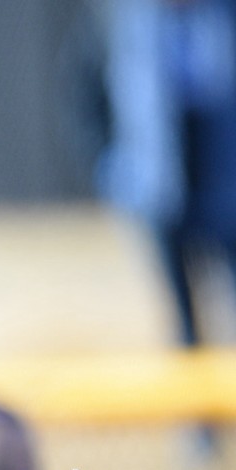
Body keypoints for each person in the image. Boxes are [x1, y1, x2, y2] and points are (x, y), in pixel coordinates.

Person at [63, 0, 236, 350]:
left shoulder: (223, 14)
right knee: (183, 324)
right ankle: (194, 400)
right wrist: (110, 167)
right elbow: (81, 91)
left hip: (225, 186)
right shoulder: (116, 19)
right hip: (160, 186)